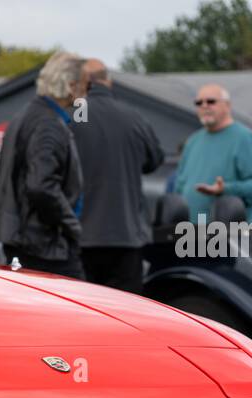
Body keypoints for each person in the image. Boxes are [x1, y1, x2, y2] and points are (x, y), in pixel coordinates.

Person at [0, 51, 86, 279]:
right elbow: (41, 186)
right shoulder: (48, 124)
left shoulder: (26, 116)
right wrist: (72, 227)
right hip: (43, 246)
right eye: (84, 86)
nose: (86, 94)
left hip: (24, 240)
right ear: (71, 86)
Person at [70, 59, 164, 293]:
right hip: (126, 235)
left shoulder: (76, 115)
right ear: (108, 82)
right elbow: (155, 159)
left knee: (85, 309)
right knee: (125, 311)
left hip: (83, 236)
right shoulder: (133, 116)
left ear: (83, 83)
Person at [171, 83, 252, 223]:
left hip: (228, 237)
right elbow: (179, 187)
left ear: (227, 106)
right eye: (199, 103)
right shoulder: (192, 142)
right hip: (190, 235)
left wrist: (225, 189)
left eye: (211, 101)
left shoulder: (244, 138)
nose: (204, 106)